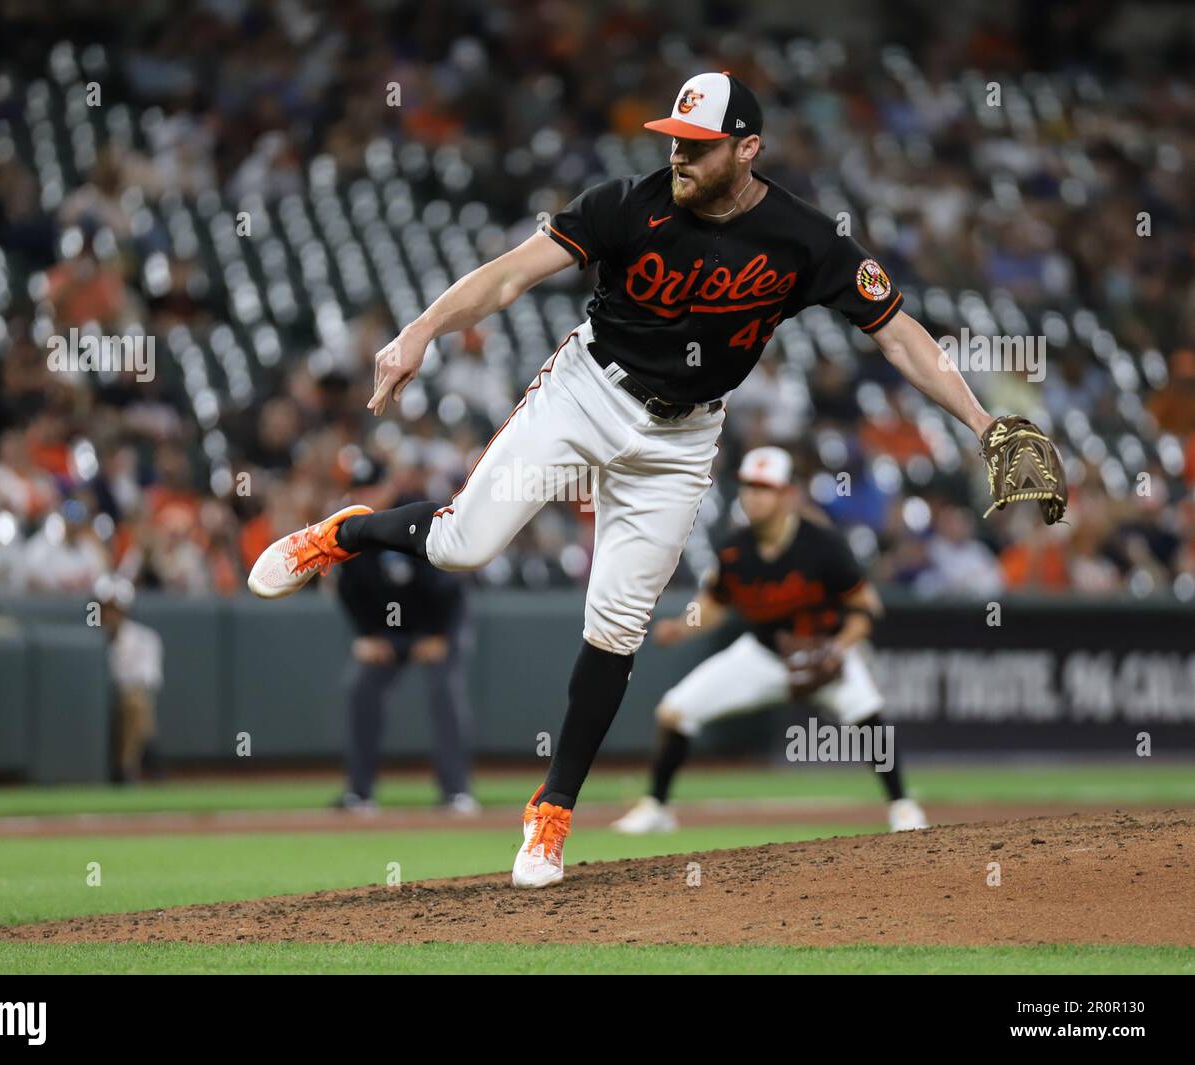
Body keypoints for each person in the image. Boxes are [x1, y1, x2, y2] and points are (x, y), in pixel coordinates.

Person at [248, 72, 1031, 889]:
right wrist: (420, 332)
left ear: (747, 149)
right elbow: (511, 273)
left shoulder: (805, 239)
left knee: (618, 625)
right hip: (588, 391)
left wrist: (986, 426)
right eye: (674, 139)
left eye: (698, 146)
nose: (679, 155)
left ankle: (550, 817)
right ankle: (341, 532)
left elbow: (901, 336)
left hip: (685, 436)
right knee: (458, 546)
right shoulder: (627, 203)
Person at [611, 446, 928, 836]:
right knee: (674, 712)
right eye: (748, 487)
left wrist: (840, 646)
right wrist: (680, 627)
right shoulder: (734, 549)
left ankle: (902, 804)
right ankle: (657, 807)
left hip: (825, 650)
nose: (753, 496)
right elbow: (713, 603)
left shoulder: (822, 545)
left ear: (788, 494)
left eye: (764, 488)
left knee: (868, 713)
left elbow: (867, 608)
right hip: (762, 655)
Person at [332, 459, 477, 815]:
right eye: (360, 489)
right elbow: (348, 590)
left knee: (444, 694)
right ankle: (359, 794)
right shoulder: (351, 529)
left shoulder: (414, 517)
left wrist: (440, 635)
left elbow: (449, 583)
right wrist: (366, 635)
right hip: (389, 632)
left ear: (388, 487)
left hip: (438, 625)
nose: (366, 495)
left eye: (372, 487)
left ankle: (456, 792)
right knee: (361, 690)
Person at [98, 580, 164, 783]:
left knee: (135, 702)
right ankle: (148, 757)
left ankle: (126, 770)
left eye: (115, 610)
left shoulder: (144, 638)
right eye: (106, 609)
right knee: (136, 706)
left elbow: (150, 679)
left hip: (129, 699)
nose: (110, 615)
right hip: (97, 700)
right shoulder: (90, 637)